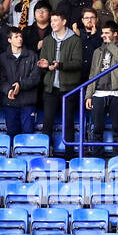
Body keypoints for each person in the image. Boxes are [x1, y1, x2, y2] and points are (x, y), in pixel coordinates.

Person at [38, 11, 83, 143]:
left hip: (68, 89)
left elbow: (78, 63)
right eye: (51, 21)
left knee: (68, 123)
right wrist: (46, 65)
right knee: (47, 122)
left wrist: (60, 65)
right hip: (50, 88)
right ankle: (47, 153)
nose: (52, 24)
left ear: (63, 22)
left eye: (55, 20)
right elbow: (44, 58)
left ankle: (69, 157)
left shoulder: (75, 40)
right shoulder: (47, 40)